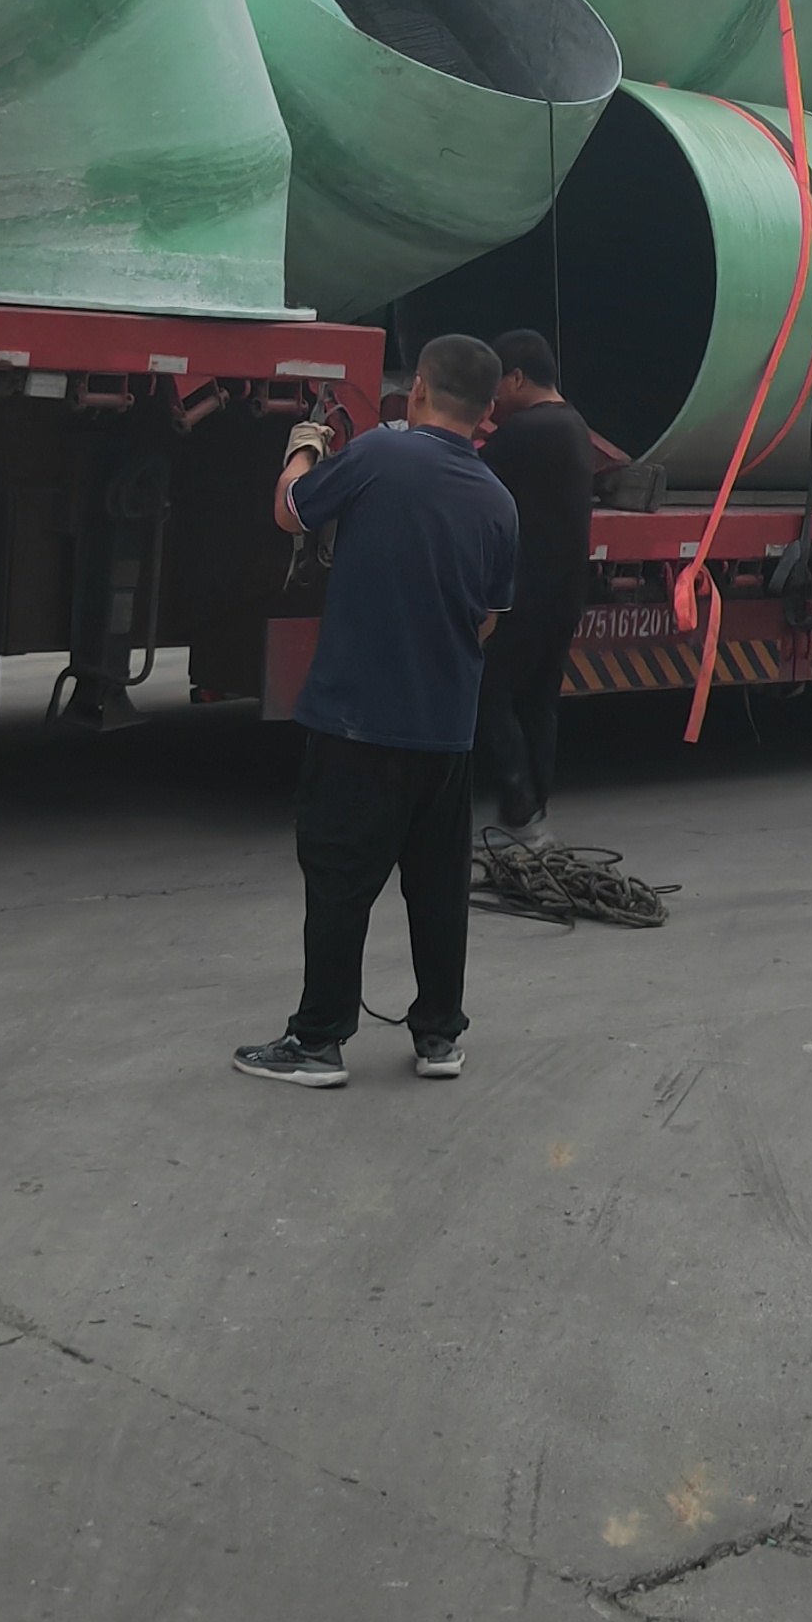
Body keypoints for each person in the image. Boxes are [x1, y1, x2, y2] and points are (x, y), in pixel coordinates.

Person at [234, 332, 518, 1089]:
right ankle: (439, 1037)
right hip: (446, 731)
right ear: (487, 410)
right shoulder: (498, 501)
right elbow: (488, 619)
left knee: (338, 878)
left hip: (357, 720)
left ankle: (318, 1041)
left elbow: (291, 513)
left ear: (418, 388)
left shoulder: (379, 455)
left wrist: (304, 450)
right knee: (438, 886)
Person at [474, 328, 597, 840]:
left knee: (487, 689)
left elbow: (466, 474)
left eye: (496, 386)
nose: (493, 401)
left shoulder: (527, 431)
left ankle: (520, 802)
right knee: (539, 700)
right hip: (564, 592)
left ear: (518, 378)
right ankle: (534, 809)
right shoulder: (573, 424)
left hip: (525, 593)